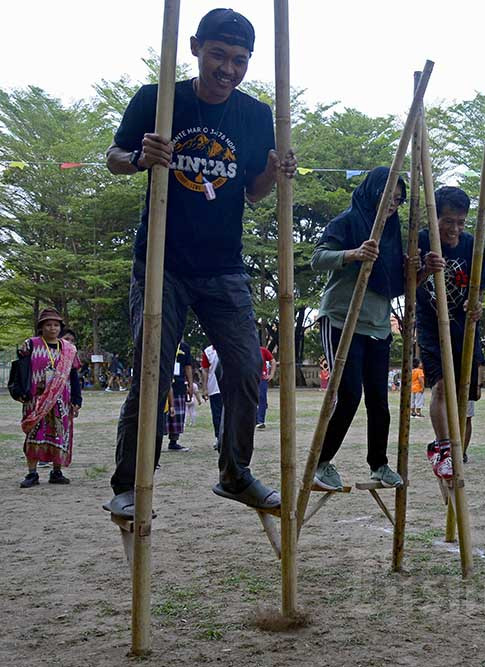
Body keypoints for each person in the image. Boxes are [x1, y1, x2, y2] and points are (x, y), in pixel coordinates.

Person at [103, 8, 294, 517]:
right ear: (194, 48)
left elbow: (253, 194)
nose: (228, 69)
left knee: (247, 368)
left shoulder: (256, 117)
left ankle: (234, 473)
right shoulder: (159, 99)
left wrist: (274, 173)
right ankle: (129, 484)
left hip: (223, 267)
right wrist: (141, 157)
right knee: (153, 372)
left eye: (239, 59)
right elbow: (114, 156)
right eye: (218, 55)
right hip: (161, 262)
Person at [310, 167, 407, 491]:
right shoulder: (347, 221)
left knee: (379, 398)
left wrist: (417, 270)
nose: (392, 203)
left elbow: (396, 280)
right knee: (349, 393)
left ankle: (378, 464)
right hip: (341, 317)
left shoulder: (393, 233)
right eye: (387, 195)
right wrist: (354, 254)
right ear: (372, 191)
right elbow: (318, 258)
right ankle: (320, 462)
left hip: (377, 325)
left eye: (397, 199)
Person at [417, 186, 485, 477]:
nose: (455, 228)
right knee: (441, 386)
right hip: (431, 324)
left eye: (461, 222)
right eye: (448, 221)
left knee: (464, 395)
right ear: (434, 218)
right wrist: (424, 269)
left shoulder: (472, 244)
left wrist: (478, 307)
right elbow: (407, 284)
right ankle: (443, 447)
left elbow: (480, 288)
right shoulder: (421, 240)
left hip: (464, 327)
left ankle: (459, 452)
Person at [17, 309, 82, 488]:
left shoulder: (69, 349)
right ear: (41, 327)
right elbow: (21, 371)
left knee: (60, 434)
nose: (52, 328)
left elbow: (74, 377)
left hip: (62, 400)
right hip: (36, 400)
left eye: (56, 325)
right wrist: (21, 392)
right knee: (33, 433)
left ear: (60, 327)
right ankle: (32, 473)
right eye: (48, 324)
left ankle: (57, 471)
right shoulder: (30, 345)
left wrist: (77, 400)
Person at [166, 337, 194, 452]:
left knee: (178, 414)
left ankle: (174, 441)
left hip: (179, 383)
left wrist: (191, 384)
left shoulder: (184, 347)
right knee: (161, 414)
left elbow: (188, 366)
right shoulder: (163, 342)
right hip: (163, 382)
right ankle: (154, 441)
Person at [200, 344, 223, 451]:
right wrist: (204, 388)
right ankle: (219, 438)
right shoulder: (208, 351)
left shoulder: (232, 344)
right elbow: (205, 370)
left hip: (232, 388)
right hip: (215, 388)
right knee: (217, 415)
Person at [255, 344, 274, 429]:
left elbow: (272, 361)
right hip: (250, 378)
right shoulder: (246, 350)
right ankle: (254, 419)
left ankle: (260, 420)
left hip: (262, 379)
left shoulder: (263, 350)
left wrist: (271, 375)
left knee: (262, 398)